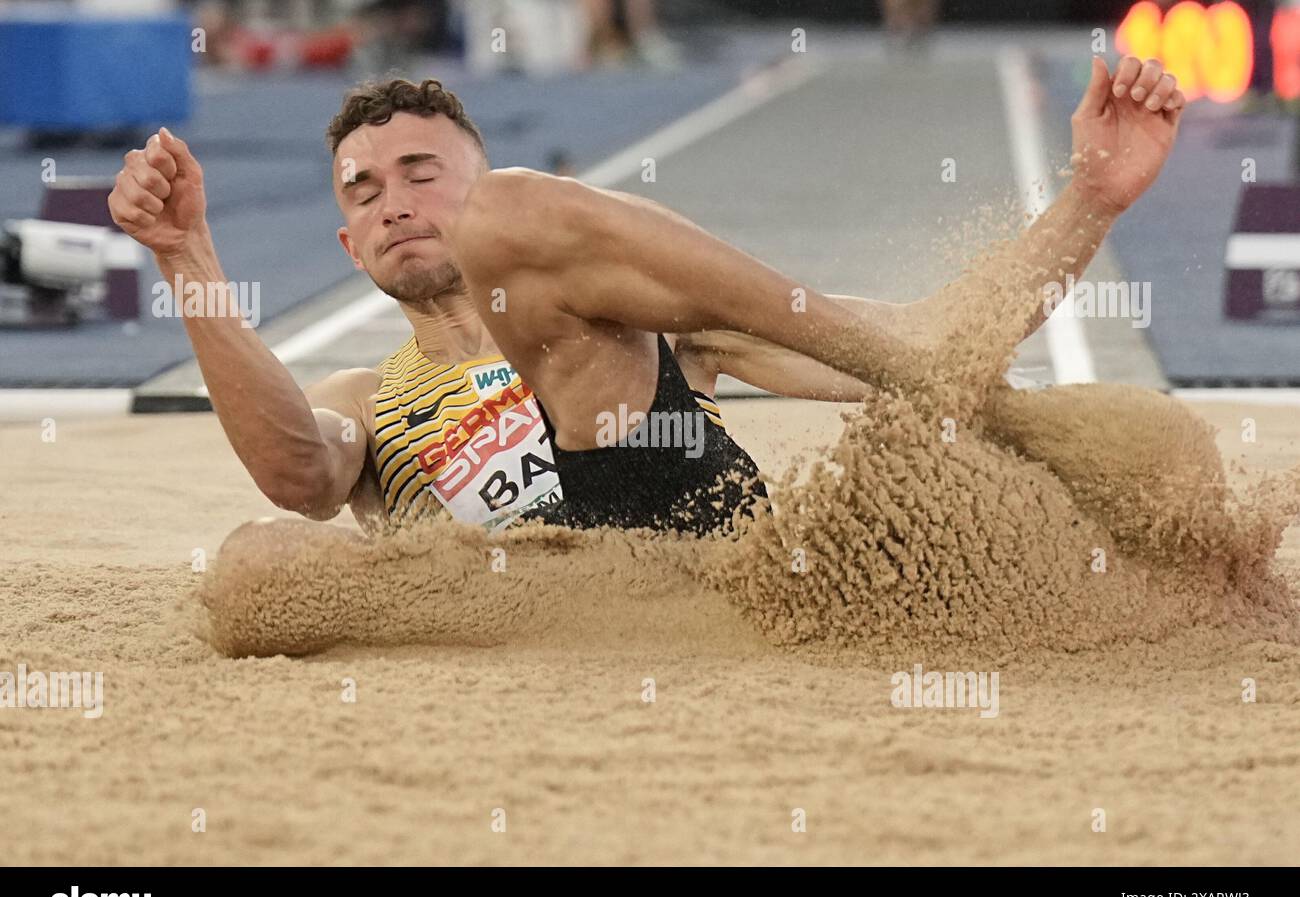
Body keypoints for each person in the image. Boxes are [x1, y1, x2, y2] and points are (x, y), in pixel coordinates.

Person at [106, 56, 1186, 546]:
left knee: (557, 270)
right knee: (259, 562)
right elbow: (297, 475)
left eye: (423, 172)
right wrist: (186, 258)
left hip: (695, 553)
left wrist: (1089, 199)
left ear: (476, 183)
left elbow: (934, 338)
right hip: (535, 611)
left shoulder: (651, 326)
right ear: (349, 246)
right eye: (365, 192)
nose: (394, 203)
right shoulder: (365, 394)